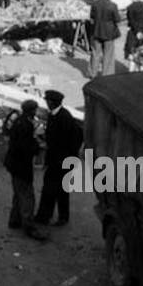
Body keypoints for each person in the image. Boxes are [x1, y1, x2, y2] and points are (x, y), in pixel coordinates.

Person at [35, 91, 81, 228]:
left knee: (50, 189)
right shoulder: (55, 115)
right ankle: (62, 217)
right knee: (61, 190)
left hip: (61, 161)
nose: (46, 103)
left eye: (47, 101)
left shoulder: (63, 117)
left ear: (53, 102)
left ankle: (44, 217)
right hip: (57, 159)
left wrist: (67, 158)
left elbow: (76, 138)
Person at [3, 100, 46, 239]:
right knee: (27, 196)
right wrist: (38, 147)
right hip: (21, 166)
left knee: (18, 193)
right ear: (32, 110)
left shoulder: (20, 121)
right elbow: (24, 147)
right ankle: (29, 227)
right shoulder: (25, 125)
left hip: (13, 164)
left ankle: (15, 220)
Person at [88, 0, 121, 78]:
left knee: (95, 53)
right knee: (108, 55)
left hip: (96, 31)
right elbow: (117, 19)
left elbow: (91, 17)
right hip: (109, 33)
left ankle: (92, 73)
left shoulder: (95, 3)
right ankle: (107, 74)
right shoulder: (113, 5)